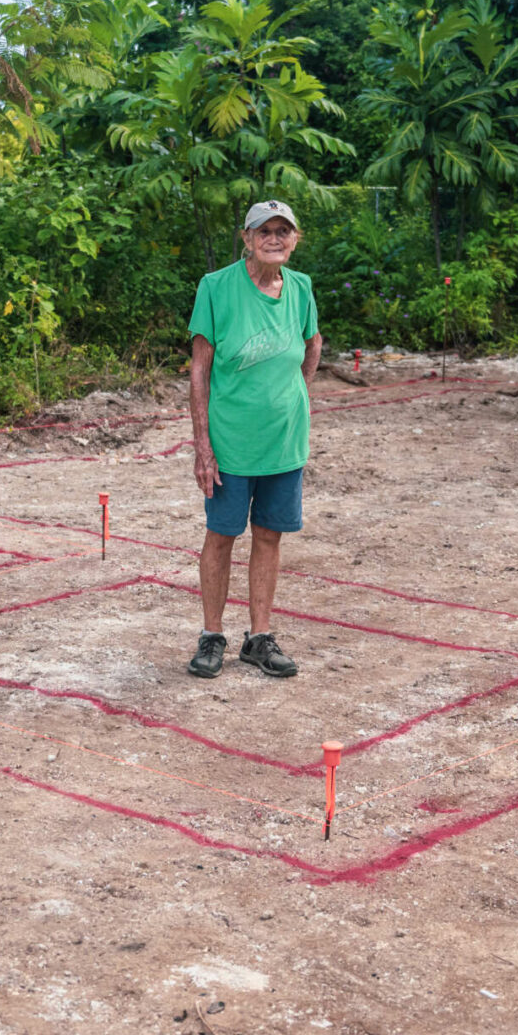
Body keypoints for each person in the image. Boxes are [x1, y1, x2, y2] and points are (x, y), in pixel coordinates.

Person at [184, 200, 322, 680]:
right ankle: (212, 636)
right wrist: (203, 445)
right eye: (264, 231)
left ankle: (259, 638)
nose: (274, 239)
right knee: (222, 535)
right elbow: (199, 368)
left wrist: (296, 394)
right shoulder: (216, 287)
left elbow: (313, 342)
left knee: (269, 535)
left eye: (284, 231)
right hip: (231, 442)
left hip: (284, 442)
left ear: (295, 240)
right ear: (246, 239)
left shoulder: (301, 287)